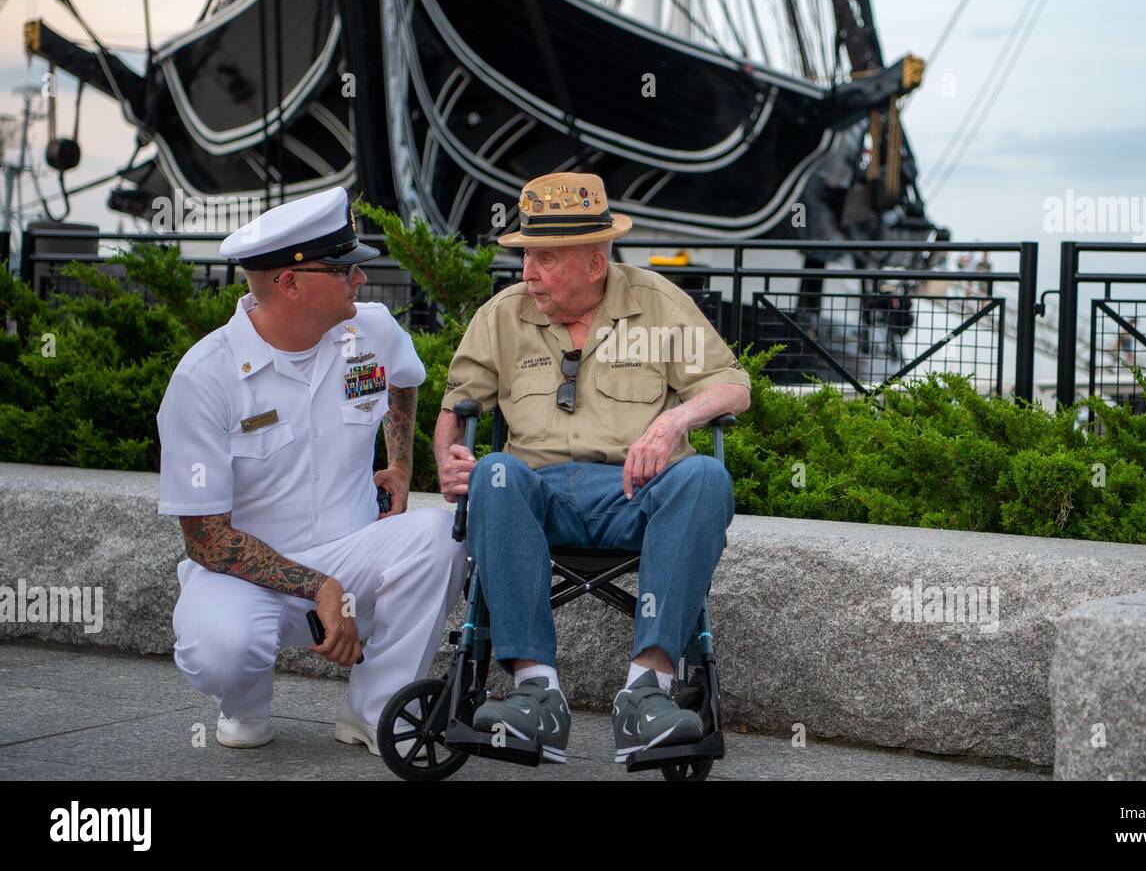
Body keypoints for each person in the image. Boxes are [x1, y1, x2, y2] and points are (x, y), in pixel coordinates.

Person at [436, 171, 750, 764]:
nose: (528, 272)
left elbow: (732, 386)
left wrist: (674, 422)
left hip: (634, 495)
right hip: (537, 496)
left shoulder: (657, 304)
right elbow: (458, 405)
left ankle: (646, 692)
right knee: (494, 473)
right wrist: (451, 460)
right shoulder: (502, 316)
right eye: (526, 255)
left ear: (594, 262)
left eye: (544, 258)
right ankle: (535, 692)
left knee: (706, 477)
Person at [157, 187, 466, 754]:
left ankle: (375, 712)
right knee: (220, 646)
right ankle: (244, 707)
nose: (360, 279)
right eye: (344, 268)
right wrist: (318, 587)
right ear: (290, 283)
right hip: (245, 575)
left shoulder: (369, 331)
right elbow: (205, 540)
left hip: (353, 549)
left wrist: (399, 463)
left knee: (444, 534)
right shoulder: (206, 378)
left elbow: (405, 379)